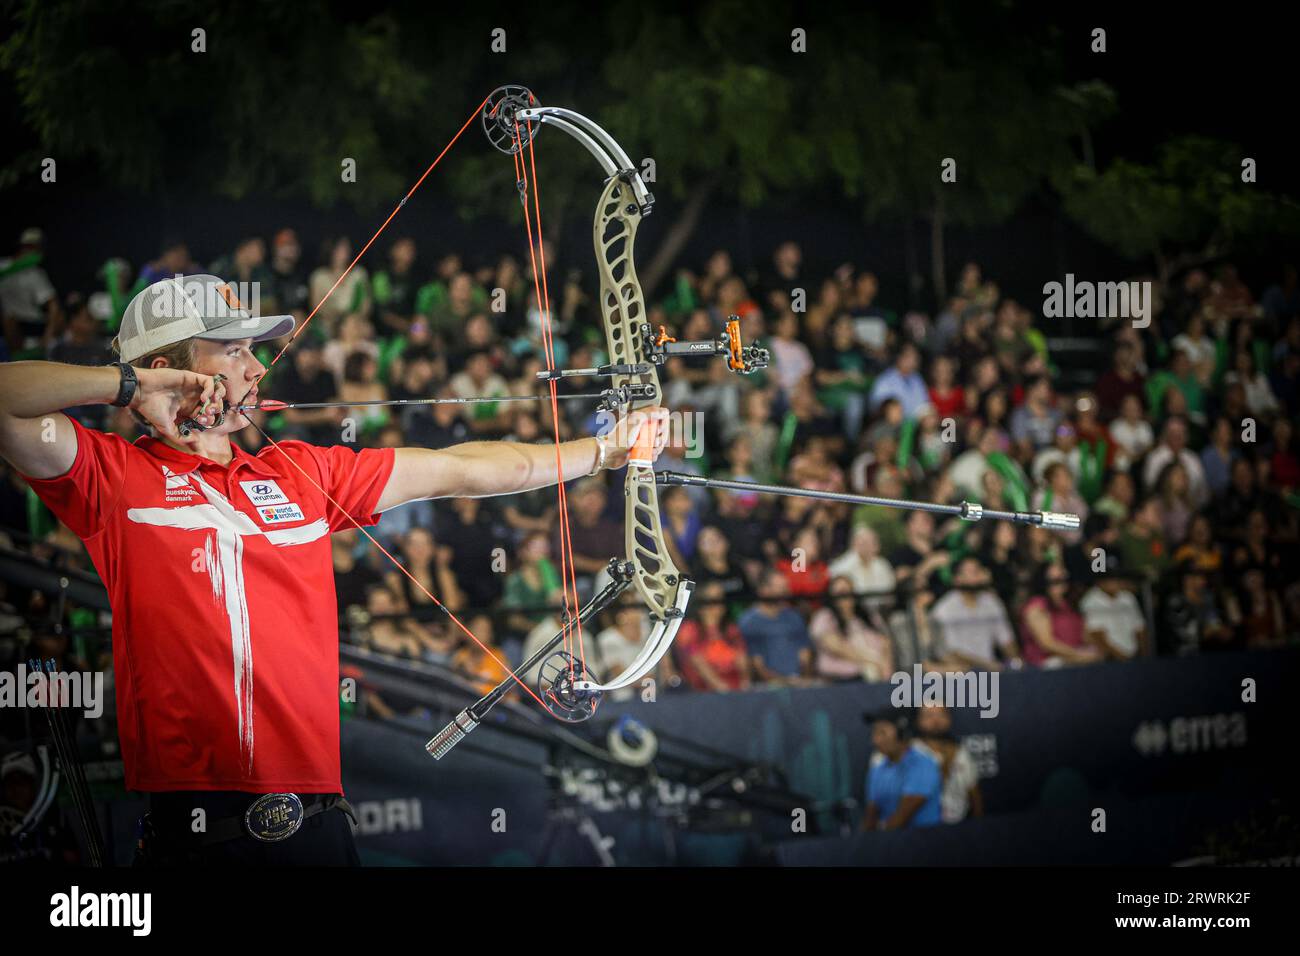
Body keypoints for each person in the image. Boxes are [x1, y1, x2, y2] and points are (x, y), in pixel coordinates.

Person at [0, 272, 667, 866]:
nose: (257, 369)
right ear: (170, 364)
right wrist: (131, 384)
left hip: (320, 832)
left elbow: (466, 468)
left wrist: (607, 449)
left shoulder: (300, 472)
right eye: (233, 351)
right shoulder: (112, 477)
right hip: (196, 837)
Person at [861, 711, 942, 831]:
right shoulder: (877, 770)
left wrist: (877, 843)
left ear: (902, 734)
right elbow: (871, 817)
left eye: (882, 733)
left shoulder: (923, 764)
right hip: (887, 843)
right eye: (874, 733)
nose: (875, 740)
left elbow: (901, 818)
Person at [913, 704, 982, 823]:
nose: (936, 721)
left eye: (941, 714)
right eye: (929, 715)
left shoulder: (961, 752)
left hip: (958, 825)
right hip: (921, 827)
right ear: (918, 721)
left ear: (949, 719)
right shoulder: (910, 752)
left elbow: (974, 794)